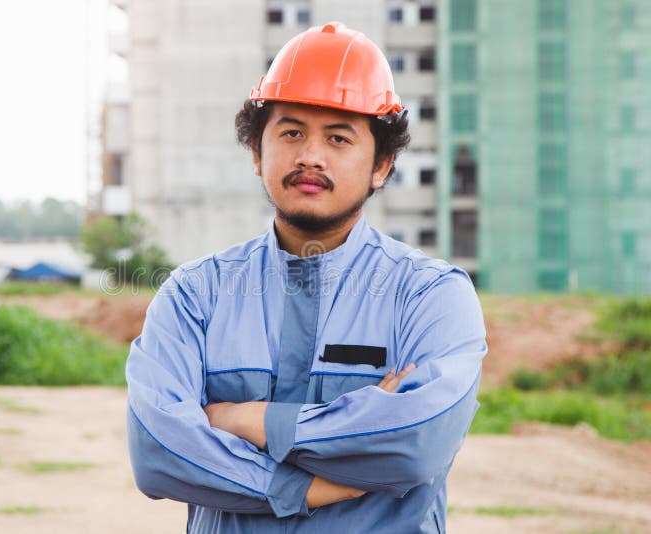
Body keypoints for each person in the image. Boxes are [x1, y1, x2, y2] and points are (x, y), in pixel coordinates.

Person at [126, 22, 486, 533]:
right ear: (257, 152)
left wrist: (242, 421)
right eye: (291, 132)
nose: (310, 156)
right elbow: (157, 450)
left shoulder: (429, 296)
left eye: (338, 137)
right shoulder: (194, 295)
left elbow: (416, 443)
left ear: (381, 164)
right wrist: (303, 485)